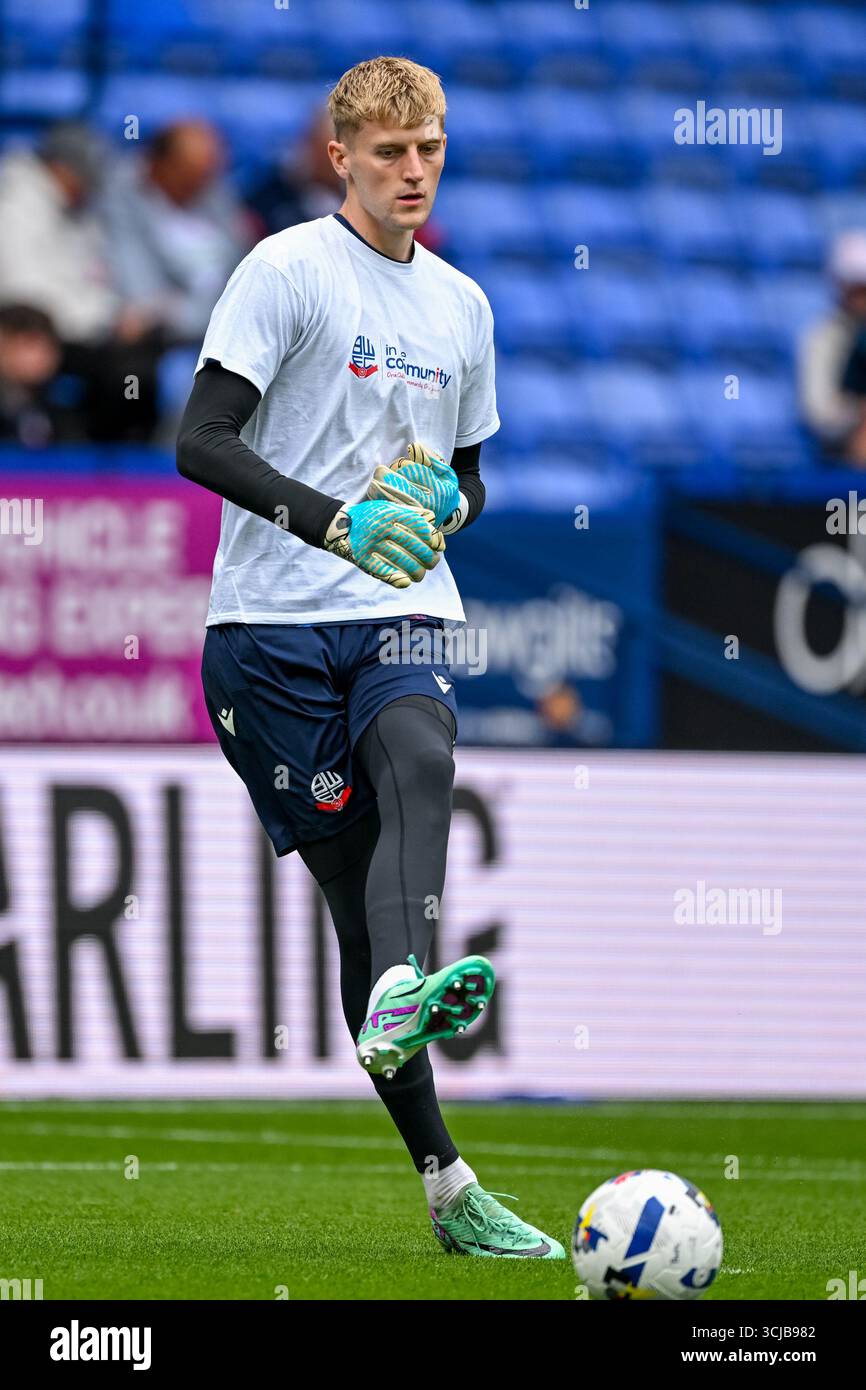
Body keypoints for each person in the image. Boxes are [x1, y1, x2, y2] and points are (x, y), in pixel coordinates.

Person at [177, 55, 564, 1260]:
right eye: (389, 151)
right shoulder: (283, 269)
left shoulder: (462, 306)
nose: (413, 171)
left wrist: (444, 512)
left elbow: (472, 474)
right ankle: (447, 1187)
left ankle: (404, 988)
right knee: (353, 898)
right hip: (270, 633)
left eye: (430, 149)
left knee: (422, 749)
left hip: (400, 609)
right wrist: (333, 519)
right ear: (339, 154)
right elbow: (199, 439)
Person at [0, 122, 164, 441]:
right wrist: (106, 322)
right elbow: (25, 294)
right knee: (126, 372)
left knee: (144, 357)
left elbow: (97, 278)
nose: (89, 185)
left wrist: (118, 317)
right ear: (60, 167)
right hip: (31, 330)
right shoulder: (13, 206)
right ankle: (89, 462)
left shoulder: (81, 209)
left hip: (78, 329)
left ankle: (125, 469)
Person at [799, 230, 866, 466]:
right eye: (857, 287)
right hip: (844, 449)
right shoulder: (823, 338)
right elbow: (821, 412)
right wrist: (857, 412)